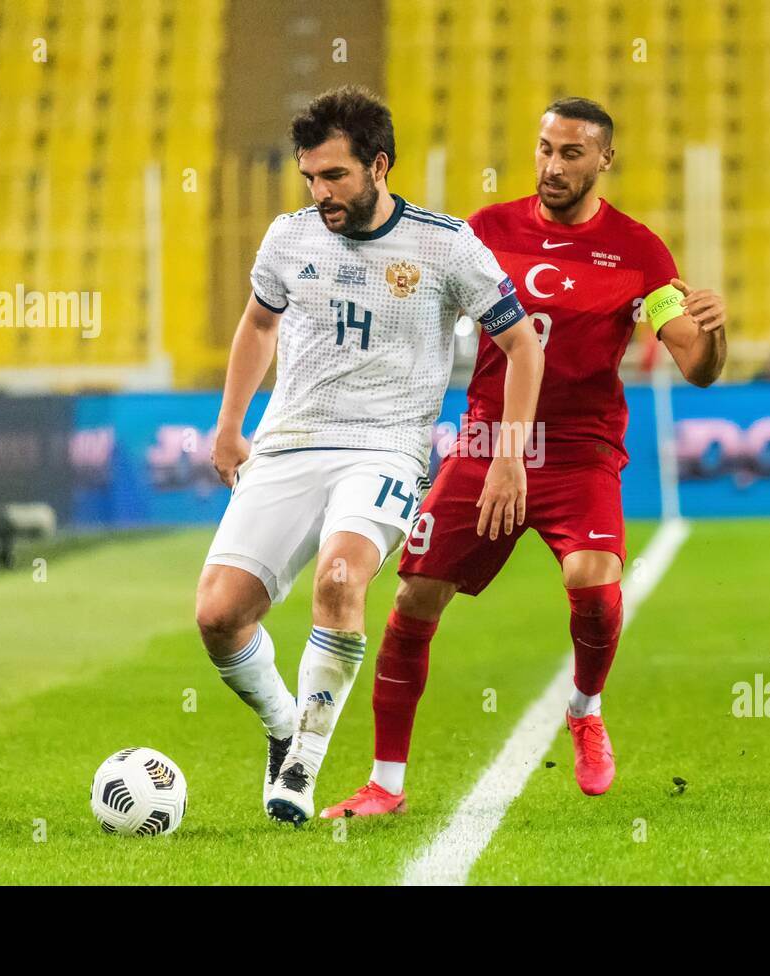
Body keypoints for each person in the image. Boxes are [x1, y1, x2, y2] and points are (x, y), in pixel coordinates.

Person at [323, 96, 727, 818]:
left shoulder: (640, 252)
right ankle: (385, 782)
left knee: (595, 584)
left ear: (604, 160)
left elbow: (695, 365)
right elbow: (421, 316)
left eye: (571, 153)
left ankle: (585, 708)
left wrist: (712, 333)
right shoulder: (484, 232)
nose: (552, 165)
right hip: (486, 444)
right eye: (545, 148)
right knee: (415, 598)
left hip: (580, 451)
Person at [194, 86, 543, 825]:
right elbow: (258, 325)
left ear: (379, 166)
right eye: (311, 178)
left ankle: (303, 769)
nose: (321, 192)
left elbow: (520, 343)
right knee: (220, 617)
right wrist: (231, 424)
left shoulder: (445, 244)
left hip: (383, 450)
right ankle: (284, 724)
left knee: (340, 576)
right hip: (289, 444)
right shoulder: (288, 238)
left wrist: (510, 454)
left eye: (335, 177)